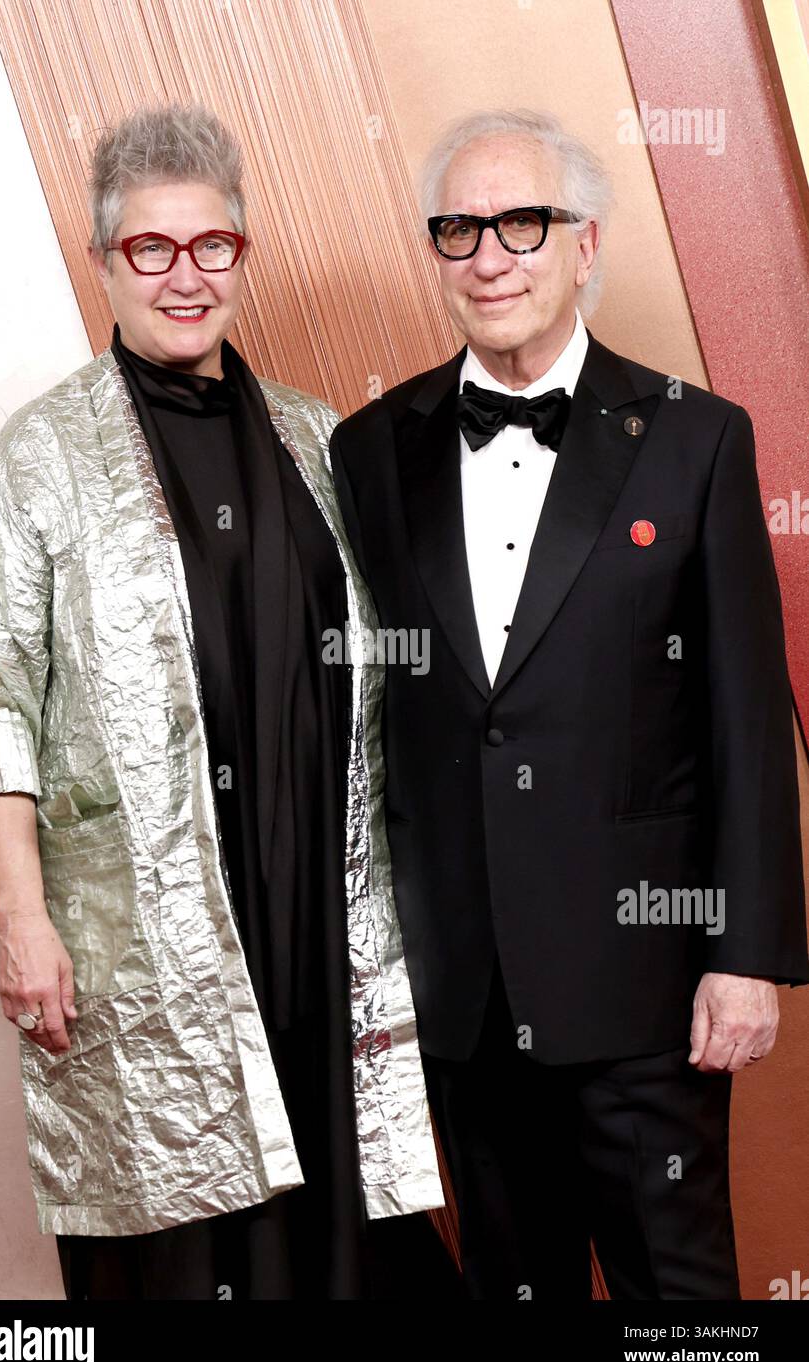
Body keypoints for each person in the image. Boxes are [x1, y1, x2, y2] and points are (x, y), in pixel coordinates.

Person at [0, 102, 456, 1300]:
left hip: (319, 923)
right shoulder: (37, 458)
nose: (185, 276)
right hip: (144, 945)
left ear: (242, 252)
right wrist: (23, 922)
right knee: (181, 1246)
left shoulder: (319, 440)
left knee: (348, 1230)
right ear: (105, 261)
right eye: (151, 249)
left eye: (211, 245)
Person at [329, 108, 808, 1300]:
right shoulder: (367, 448)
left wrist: (744, 956)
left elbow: (745, 717)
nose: (488, 256)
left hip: (647, 994)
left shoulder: (694, 438)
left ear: (582, 243)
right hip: (466, 999)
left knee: (679, 1305)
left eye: (520, 223)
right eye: (458, 230)